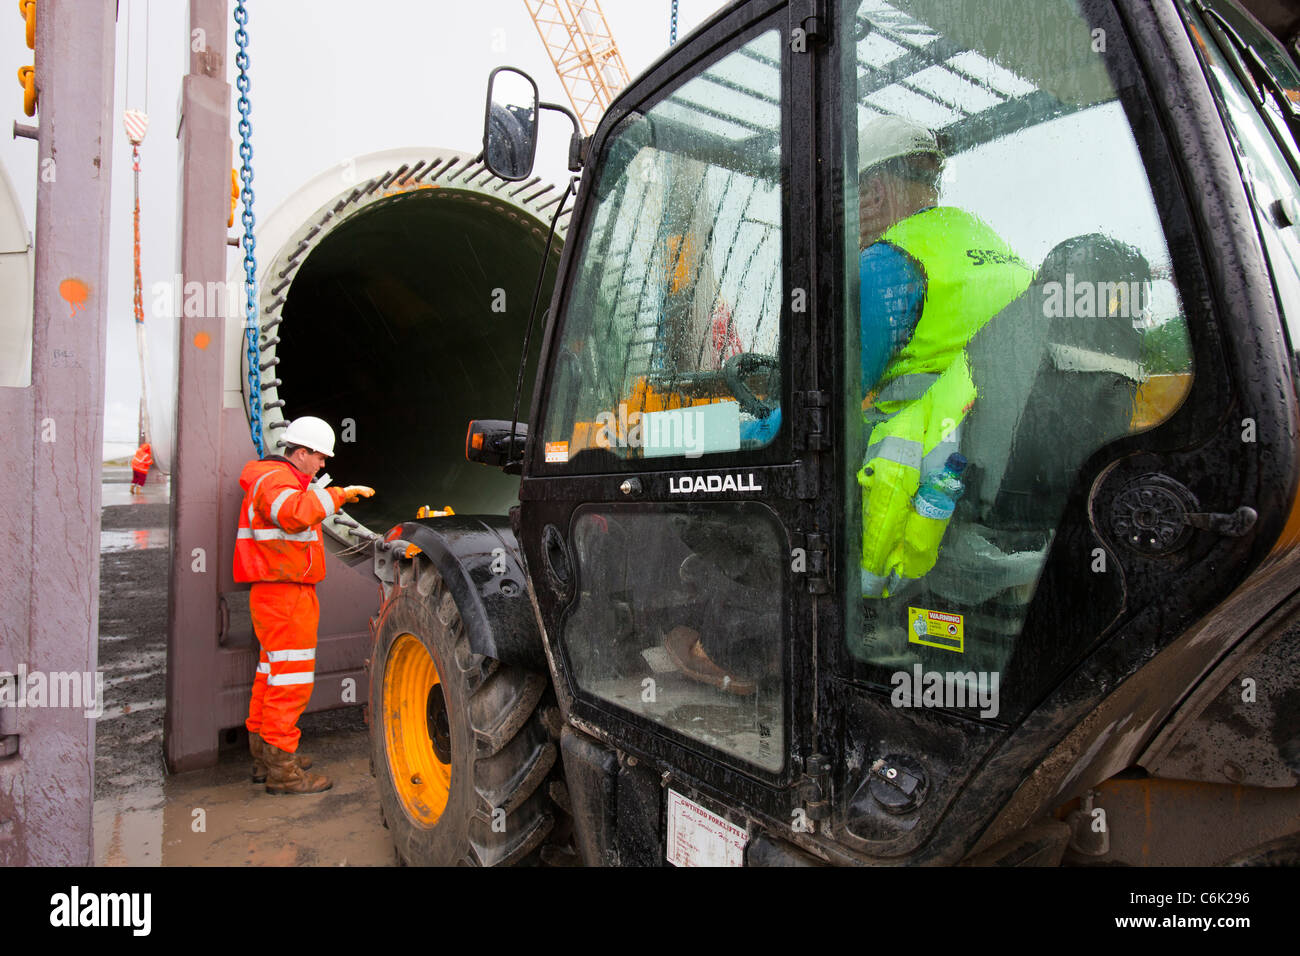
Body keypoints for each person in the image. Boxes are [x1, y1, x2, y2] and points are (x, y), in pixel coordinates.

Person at [856, 115, 1034, 600]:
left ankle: (739, 641)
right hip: (1004, 468)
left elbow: (833, 388)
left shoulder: (888, 260)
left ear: (872, 192)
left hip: (928, 471)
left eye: (849, 200)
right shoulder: (986, 242)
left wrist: (755, 428)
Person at [233, 416, 375, 794]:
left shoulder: (273, 478)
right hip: (284, 595)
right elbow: (293, 514)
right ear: (300, 452)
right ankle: (285, 772)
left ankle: (268, 756)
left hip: (279, 593)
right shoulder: (276, 481)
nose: (323, 465)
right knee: (290, 681)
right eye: (320, 457)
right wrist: (338, 495)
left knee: (272, 674)